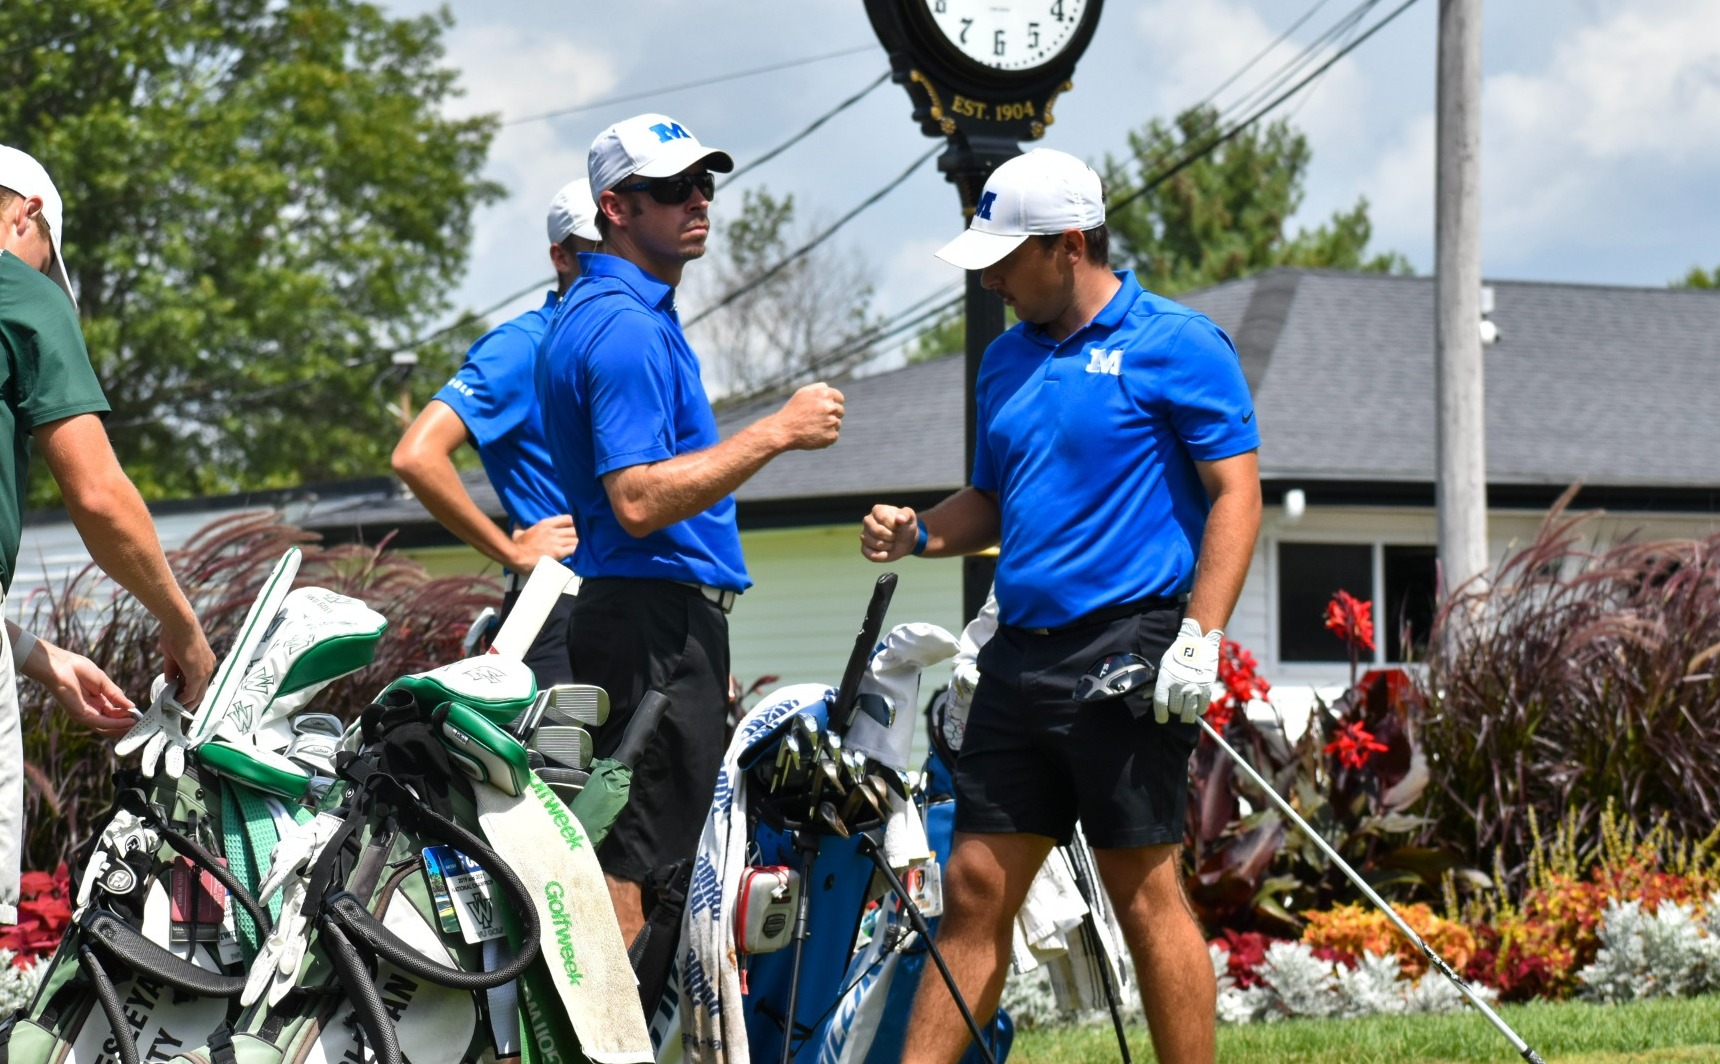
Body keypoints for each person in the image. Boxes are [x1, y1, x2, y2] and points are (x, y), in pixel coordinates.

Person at [859, 148, 1261, 1064]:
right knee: (972, 888)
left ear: (1071, 244)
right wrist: (919, 532)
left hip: (1128, 649)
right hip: (1017, 658)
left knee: (1142, 892)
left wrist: (1199, 639)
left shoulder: (1178, 343)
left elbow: (1236, 495)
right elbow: (996, 502)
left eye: (1008, 259)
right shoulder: (1004, 361)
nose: (994, 279)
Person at [536, 113, 845, 944]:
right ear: (616, 207)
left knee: (639, 851)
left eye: (704, 183)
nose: (698, 201)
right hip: (655, 624)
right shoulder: (627, 328)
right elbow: (635, 499)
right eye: (671, 189)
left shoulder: (608, 313)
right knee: (637, 866)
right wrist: (776, 431)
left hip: (642, 617)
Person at [0, 144, 216, 923]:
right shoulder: (17, 290)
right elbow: (97, 494)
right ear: (27, 212)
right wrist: (182, 627)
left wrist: (38, 655)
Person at [392, 179, 599, 685]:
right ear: (561, 257)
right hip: (559, 606)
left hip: (633, 606)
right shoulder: (521, 346)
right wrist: (510, 552)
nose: (617, 259)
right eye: (599, 247)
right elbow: (416, 456)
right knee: (561, 768)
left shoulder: (622, 345)